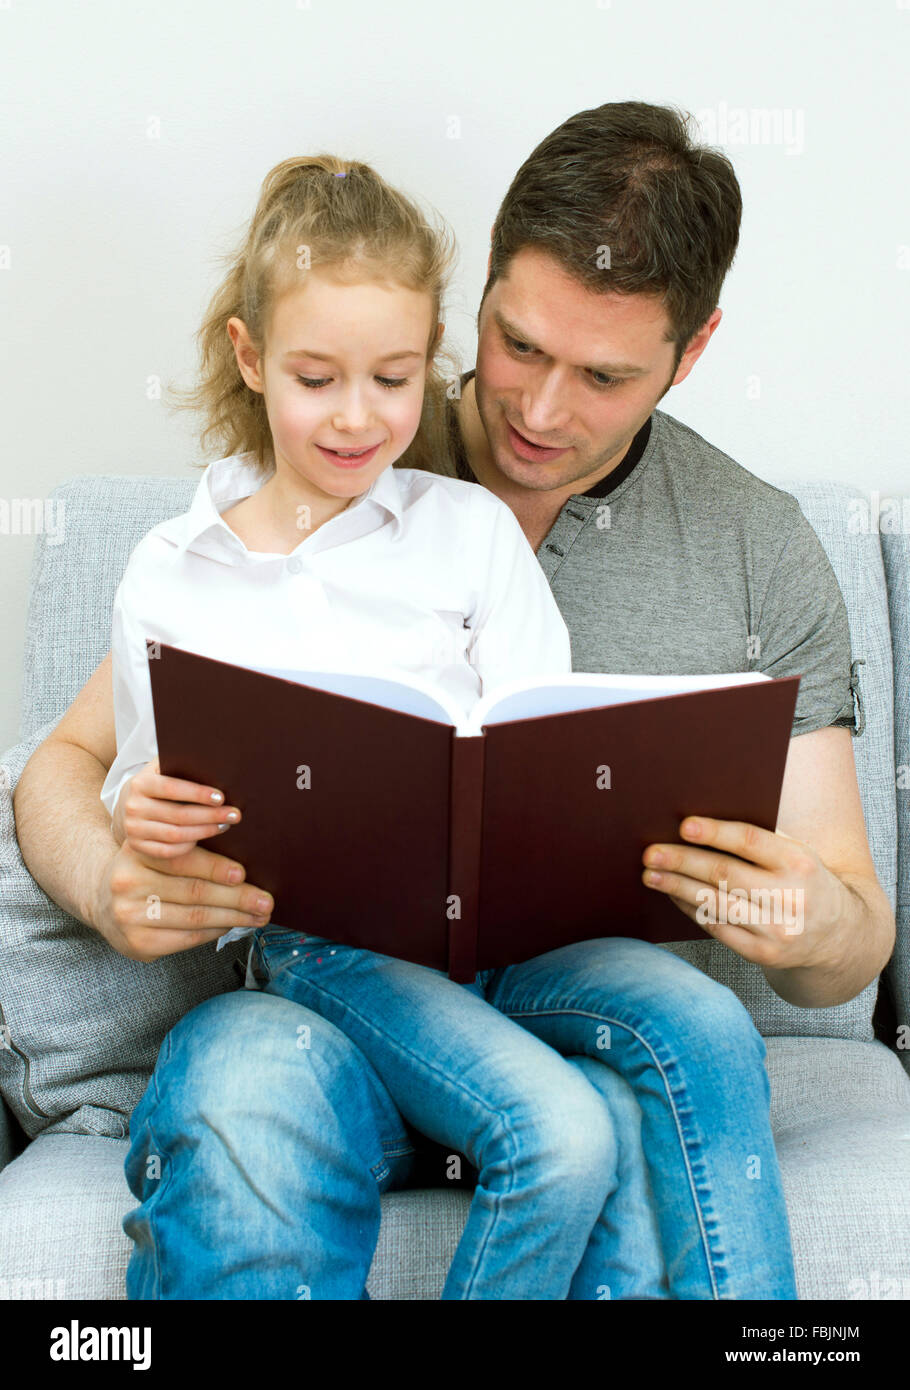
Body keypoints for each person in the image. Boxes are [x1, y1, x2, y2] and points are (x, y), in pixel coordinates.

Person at [13, 101, 894, 1301]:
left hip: (564, 1009)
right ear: (472, 299)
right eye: (518, 346)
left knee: (670, 1056)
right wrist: (110, 877)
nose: (537, 411)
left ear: (692, 352)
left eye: (603, 376)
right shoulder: (351, 440)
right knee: (246, 1090)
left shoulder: (757, 547)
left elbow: (850, 933)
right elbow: (75, 756)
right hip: (327, 1007)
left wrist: (810, 926)